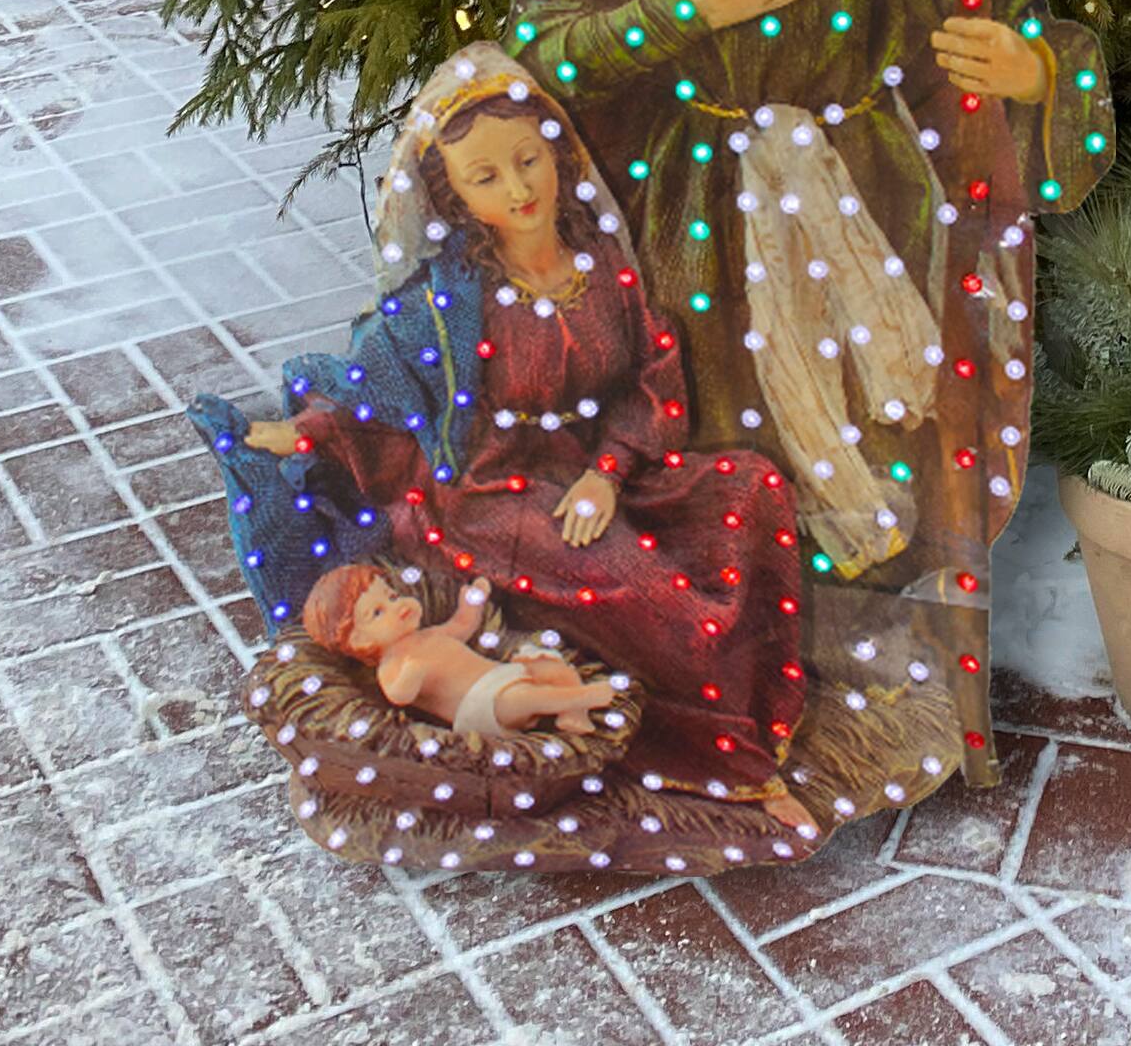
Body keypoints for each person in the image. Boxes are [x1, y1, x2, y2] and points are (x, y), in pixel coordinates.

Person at [509, 0, 1116, 596]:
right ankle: (755, 622)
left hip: (867, 184)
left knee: (890, 416)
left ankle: (886, 619)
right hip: (697, 212)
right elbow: (539, 53)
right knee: (723, 427)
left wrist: (1034, 71)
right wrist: (688, 8)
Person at [188, 43, 810, 824]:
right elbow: (378, 389)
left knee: (748, 490)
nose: (518, 190)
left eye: (527, 161)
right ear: (454, 195)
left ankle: (760, 709)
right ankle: (726, 760)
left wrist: (608, 472)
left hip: (598, 470)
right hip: (492, 495)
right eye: (485, 177)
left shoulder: (602, 263)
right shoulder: (451, 303)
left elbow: (651, 378)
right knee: (653, 593)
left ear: (556, 155)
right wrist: (292, 435)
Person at [302, 562, 617, 739]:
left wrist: (471, 604)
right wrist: (412, 674)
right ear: (359, 641)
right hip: (480, 707)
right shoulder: (393, 664)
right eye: (378, 612)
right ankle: (578, 698)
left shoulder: (428, 636)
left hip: (501, 675)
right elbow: (399, 695)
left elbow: (462, 626)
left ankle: (573, 715)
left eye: (393, 596)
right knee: (520, 699)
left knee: (550, 666)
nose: (397, 606)